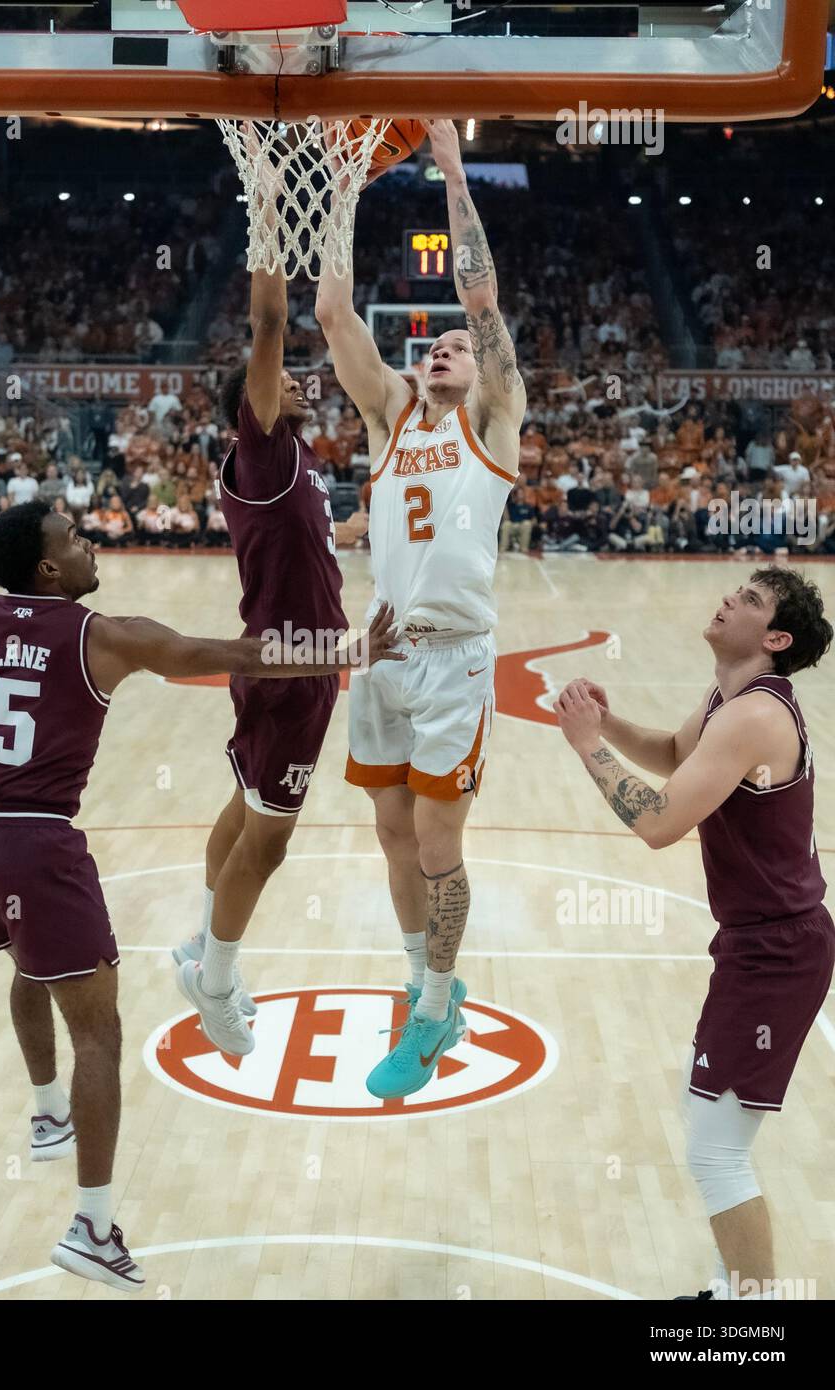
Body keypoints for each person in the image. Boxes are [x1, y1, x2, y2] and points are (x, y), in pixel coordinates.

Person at [0, 501, 399, 1293]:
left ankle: (44, 1112)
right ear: (49, 570)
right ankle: (93, 1228)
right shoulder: (104, 634)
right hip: (40, 847)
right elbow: (220, 650)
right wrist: (342, 649)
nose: (91, 542)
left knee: (29, 971)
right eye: (75, 539)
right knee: (99, 1037)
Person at [553, 568, 833, 1301]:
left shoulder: (755, 716)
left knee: (716, 1151)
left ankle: (757, 1315)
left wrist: (587, 747)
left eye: (750, 600)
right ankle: (733, 1286)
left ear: (775, 639)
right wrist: (609, 724)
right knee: (703, 1108)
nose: (729, 599)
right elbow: (677, 759)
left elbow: (656, 821)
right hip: (757, 942)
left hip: (779, 950)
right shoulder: (728, 700)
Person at [315, 118, 523, 1098]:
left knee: (440, 849)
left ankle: (438, 1009)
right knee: (392, 837)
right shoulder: (391, 418)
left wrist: (447, 168)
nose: (443, 347)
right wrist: (340, 179)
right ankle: (417, 982)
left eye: (455, 346)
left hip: (454, 663)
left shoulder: (493, 421)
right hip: (384, 655)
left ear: (479, 372)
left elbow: (478, 297)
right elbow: (329, 314)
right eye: (431, 344)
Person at [171, 177, 370, 1057]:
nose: (297, 381)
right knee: (273, 841)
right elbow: (268, 326)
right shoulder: (259, 452)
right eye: (282, 381)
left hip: (295, 657)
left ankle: (198, 948)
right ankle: (215, 980)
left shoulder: (297, 465)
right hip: (291, 662)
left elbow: (335, 533)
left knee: (244, 803)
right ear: (251, 406)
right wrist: (271, 214)